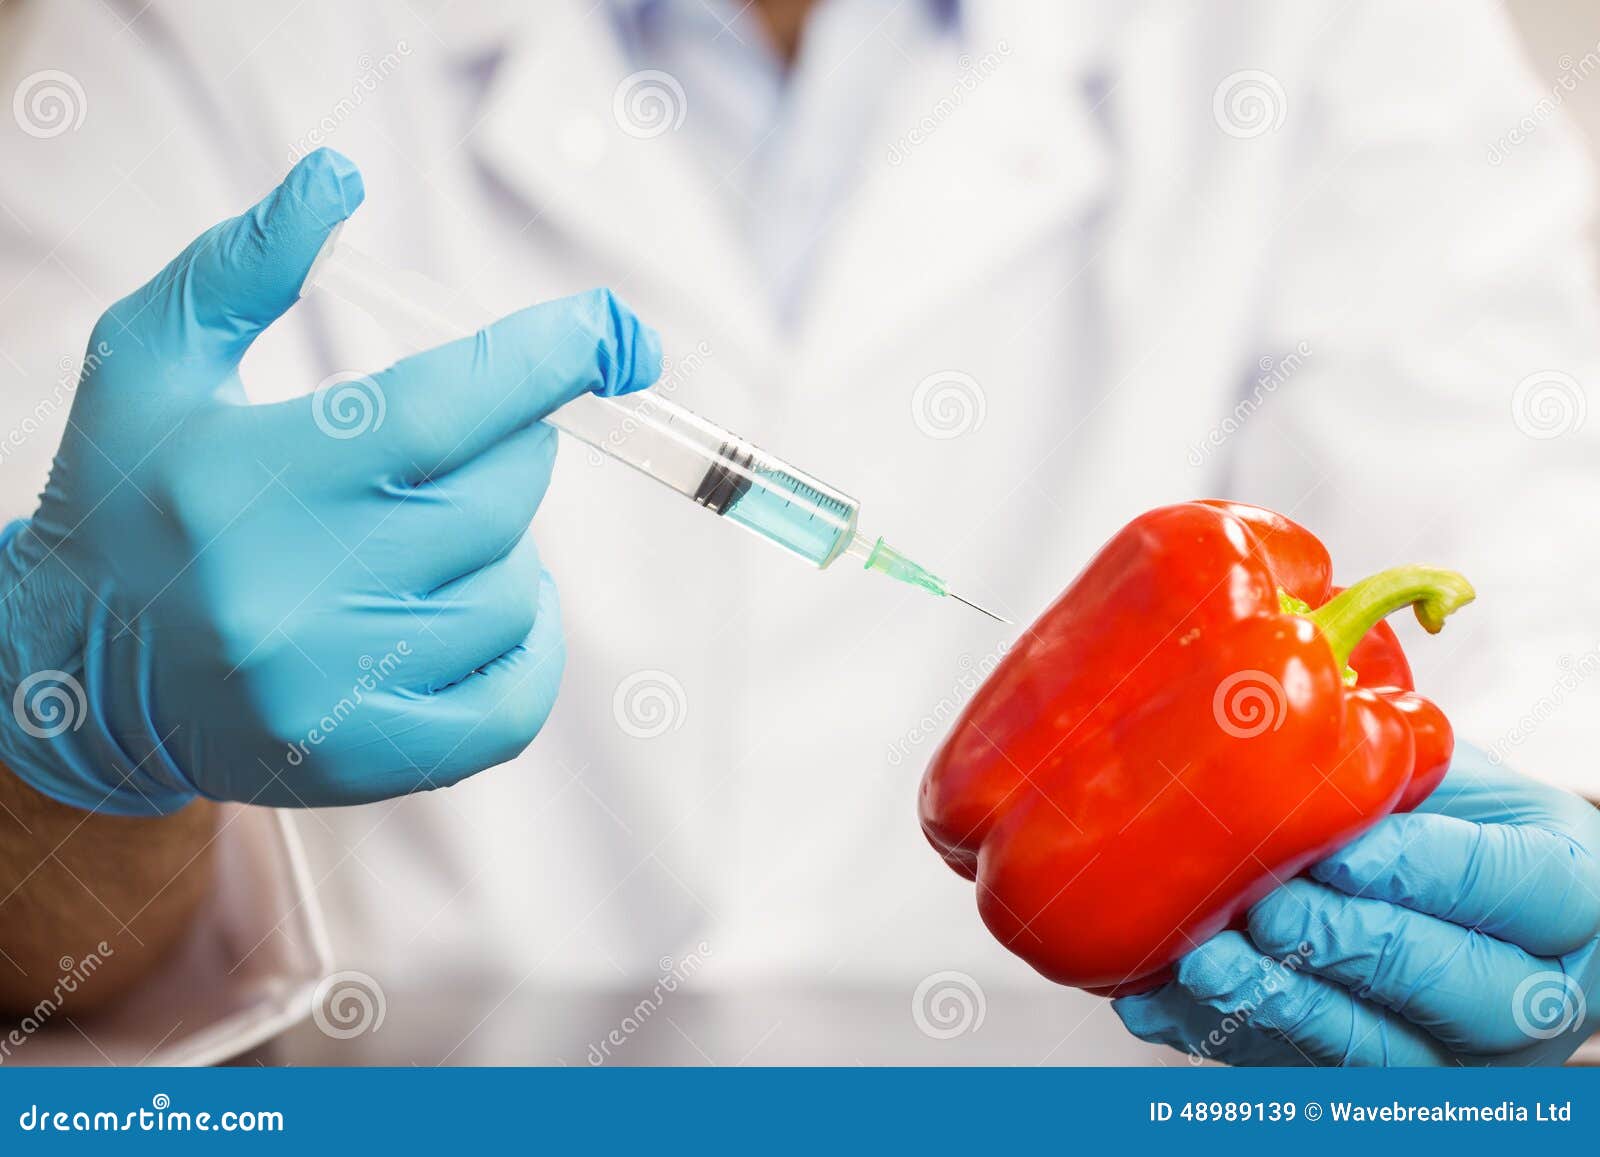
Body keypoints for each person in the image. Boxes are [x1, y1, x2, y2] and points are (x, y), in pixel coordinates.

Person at [0, 0, 1597, 1066]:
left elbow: (1540, 642)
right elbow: (32, 934)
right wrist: (76, 727)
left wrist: (1555, 901)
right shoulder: (194, 40)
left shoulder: (1338, 36)